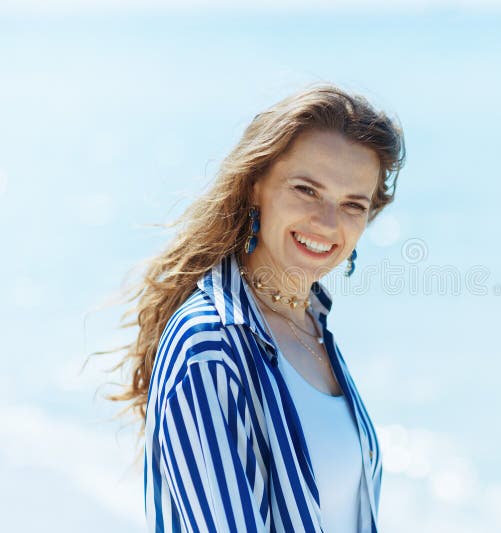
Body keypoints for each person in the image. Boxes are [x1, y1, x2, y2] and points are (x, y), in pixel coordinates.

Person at [107, 83, 405, 533]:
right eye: (307, 190)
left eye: (352, 204)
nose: (327, 222)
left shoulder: (311, 326)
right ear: (255, 186)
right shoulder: (209, 347)